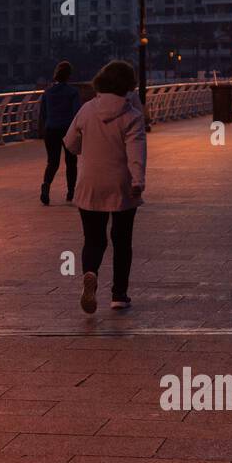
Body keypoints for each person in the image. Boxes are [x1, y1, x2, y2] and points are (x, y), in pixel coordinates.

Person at [63, 60, 146, 313]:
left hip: (89, 184)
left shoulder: (87, 109)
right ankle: (119, 295)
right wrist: (138, 180)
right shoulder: (132, 115)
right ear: (128, 85)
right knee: (122, 241)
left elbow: (70, 142)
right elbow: (136, 152)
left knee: (93, 239)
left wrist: (86, 148)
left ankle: (90, 273)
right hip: (121, 185)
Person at [38, 60, 81, 205]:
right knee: (71, 162)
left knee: (52, 162)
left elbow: (43, 114)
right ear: (69, 76)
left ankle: (46, 186)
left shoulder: (48, 92)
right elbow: (77, 113)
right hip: (67, 130)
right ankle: (70, 192)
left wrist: (42, 129)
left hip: (51, 130)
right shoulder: (73, 92)